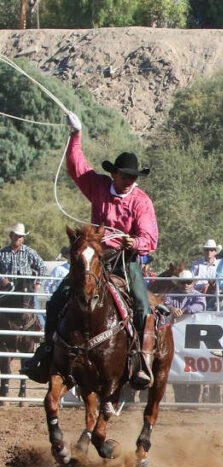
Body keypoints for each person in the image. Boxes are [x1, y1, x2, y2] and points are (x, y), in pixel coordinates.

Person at [23, 112, 159, 388]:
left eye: (132, 177)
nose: (129, 180)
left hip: (124, 259)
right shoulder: (98, 186)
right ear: (114, 174)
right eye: (124, 176)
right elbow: (77, 167)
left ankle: (142, 359)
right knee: (57, 298)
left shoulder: (141, 202)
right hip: (95, 256)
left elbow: (149, 237)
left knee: (143, 305)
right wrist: (76, 135)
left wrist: (135, 242)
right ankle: (47, 351)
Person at [163, 271, 206, 403]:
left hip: (193, 338)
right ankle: (180, 401)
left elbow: (200, 305)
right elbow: (164, 302)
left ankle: (192, 402)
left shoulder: (198, 295)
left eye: (189, 282)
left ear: (193, 283)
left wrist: (184, 310)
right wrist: (171, 308)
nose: (186, 285)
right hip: (176, 338)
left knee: (195, 368)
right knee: (176, 366)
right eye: (183, 282)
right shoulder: (172, 294)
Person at [0, 223, 46, 294]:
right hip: (6, 289)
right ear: (11, 236)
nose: (17, 238)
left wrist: (38, 283)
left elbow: (42, 267)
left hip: (26, 289)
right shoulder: (2, 253)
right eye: (16, 235)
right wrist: (2, 279)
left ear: (23, 238)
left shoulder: (29, 252)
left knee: (33, 303)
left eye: (20, 236)